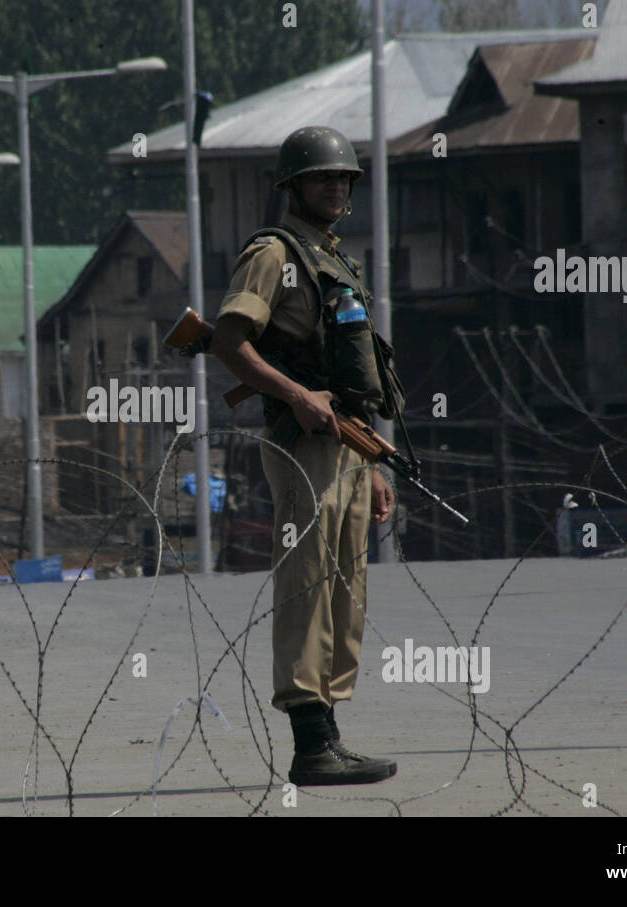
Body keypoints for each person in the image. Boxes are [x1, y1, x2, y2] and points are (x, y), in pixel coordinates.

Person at [210, 125, 398, 786]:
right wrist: (295, 395)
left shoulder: (335, 259)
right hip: (302, 448)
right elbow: (230, 341)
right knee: (307, 588)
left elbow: (351, 369)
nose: (335, 186)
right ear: (292, 186)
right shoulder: (273, 253)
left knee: (346, 591)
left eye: (343, 178)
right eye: (322, 177)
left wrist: (374, 463)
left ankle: (331, 735)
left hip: (347, 446)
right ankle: (309, 743)